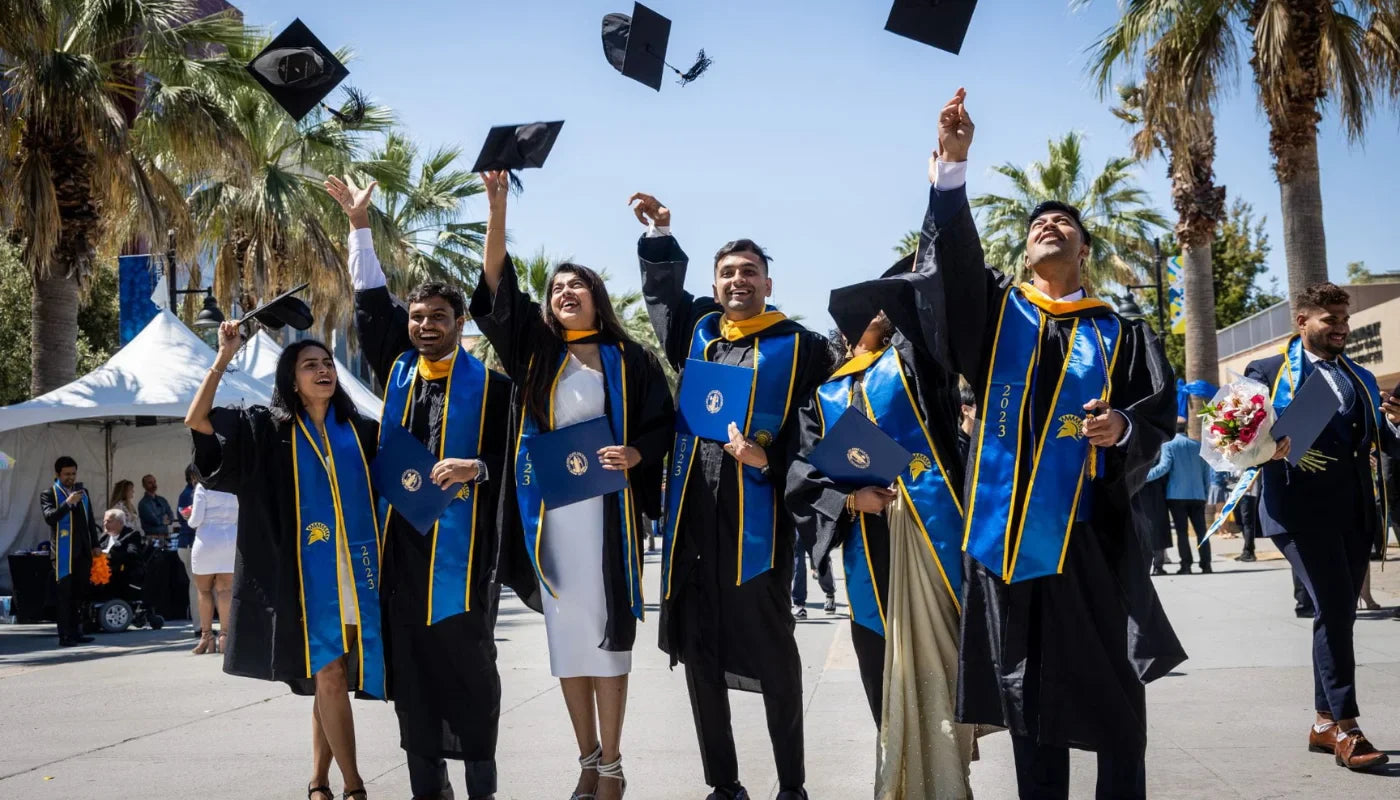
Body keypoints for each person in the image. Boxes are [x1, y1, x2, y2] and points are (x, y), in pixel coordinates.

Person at [921, 88, 1184, 799]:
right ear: (1026, 250)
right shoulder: (997, 316)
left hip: (1094, 538)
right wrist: (953, 168)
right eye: (1039, 222)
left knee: (1118, 704)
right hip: (1010, 543)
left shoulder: (1121, 332)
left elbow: (1157, 415)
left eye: (1064, 221)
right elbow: (950, 271)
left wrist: (1123, 428)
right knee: (1030, 697)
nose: (1049, 224)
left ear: (1084, 250)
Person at [630, 191, 835, 800]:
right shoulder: (699, 334)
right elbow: (665, 302)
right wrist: (661, 235)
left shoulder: (801, 346)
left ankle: (792, 784)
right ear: (715, 285)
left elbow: (819, 428)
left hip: (758, 528)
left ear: (768, 283)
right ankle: (724, 784)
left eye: (749, 271)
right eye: (727, 272)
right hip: (693, 524)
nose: (737, 280)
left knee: (775, 657)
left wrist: (769, 459)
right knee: (700, 656)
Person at [476, 171, 673, 800]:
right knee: (566, 641)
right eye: (557, 287)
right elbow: (496, 287)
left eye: (576, 285)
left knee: (607, 640)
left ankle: (612, 764)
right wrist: (498, 209)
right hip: (550, 518)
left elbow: (663, 426)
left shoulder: (630, 359)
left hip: (608, 517)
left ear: (596, 297)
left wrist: (636, 452)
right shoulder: (535, 353)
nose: (565, 292)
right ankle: (586, 758)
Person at [327, 174, 512, 800]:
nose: (425, 324)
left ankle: (482, 787)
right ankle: (428, 789)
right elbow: (370, 301)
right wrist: (359, 226)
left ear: (461, 322)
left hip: (465, 561)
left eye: (438, 316)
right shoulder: (399, 369)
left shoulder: (493, 389)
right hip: (402, 555)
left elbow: (509, 458)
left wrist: (475, 469)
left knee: (470, 671)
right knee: (412, 675)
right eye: (418, 316)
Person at [787, 259, 974, 797]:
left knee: (943, 671)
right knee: (883, 672)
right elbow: (803, 474)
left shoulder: (913, 366)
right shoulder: (822, 395)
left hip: (930, 538)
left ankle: (951, 782)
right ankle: (903, 781)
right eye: (870, 307)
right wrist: (850, 500)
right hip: (869, 544)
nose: (878, 313)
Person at [187, 321, 383, 800]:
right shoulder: (268, 429)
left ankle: (318, 782)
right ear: (291, 380)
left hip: (356, 574)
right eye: (309, 365)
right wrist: (223, 356)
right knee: (329, 673)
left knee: (330, 677)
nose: (323, 370)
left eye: (327, 363)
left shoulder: (361, 430)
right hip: (301, 579)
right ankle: (355, 786)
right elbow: (198, 420)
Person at [1243, 281, 1400, 771]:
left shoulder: (1361, 377)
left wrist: (1396, 423)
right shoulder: (1267, 371)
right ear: (1302, 321)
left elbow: (1381, 443)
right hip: (1297, 512)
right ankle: (1348, 728)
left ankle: (1323, 722)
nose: (1341, 328)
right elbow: (1240, 443)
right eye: (1330, 320)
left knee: (1338, 614)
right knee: (1332, 605)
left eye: (1345, 319)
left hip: (1354, 512)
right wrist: (1265, 446)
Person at [39, 456, 98, 646]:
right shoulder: (49, 494)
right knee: (64, 595)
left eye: (73, 473)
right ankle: (64, 635)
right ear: (58, 474)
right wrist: (68, 503)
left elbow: (90, 521)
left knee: (79, 595)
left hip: (83, 551)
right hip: (63, 552)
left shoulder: (83, 493)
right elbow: (50, 517)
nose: (71, 477)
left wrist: (95, 544)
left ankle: (77, 632)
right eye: (66, 474)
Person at [1146, 418, 1215, 574]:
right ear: (1186, 428)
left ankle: (1186, 565)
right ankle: (1206, 565)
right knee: (1202, 532)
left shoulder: (1168, 445)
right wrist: (1204, 492)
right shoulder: (1198, 446)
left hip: (1176, 495)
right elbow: (1206, 473)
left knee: (1182, 532)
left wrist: (1144, 477)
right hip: (1198, 495)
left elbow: (1164, 468)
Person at [183, 469, 237, 656]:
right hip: (230, 541)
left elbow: (195, 521)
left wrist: (189, 516)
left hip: (206, 540)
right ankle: (225, 637)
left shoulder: (202, 487)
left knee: (204, 590)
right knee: (225, 591)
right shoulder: (235, 486)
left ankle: (206, 636)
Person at [176, 465, 200, 629]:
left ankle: (202, 625)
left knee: (199, 585)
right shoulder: (189, 495)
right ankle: (199, 626)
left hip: (189, 544)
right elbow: (189, 521)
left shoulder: (190, 493)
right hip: (189, 544)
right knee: (197, 585)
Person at [790, 541, 835, 619]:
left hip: (816, 533)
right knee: (799, 562)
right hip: (798, 533)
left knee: (821, 558)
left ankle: (830, 593)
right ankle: (799, 604)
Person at [138, 474, 175, 549]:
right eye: (150, 483)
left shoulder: (162, 500)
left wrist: (167, 519)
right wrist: (164, 519)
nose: (153, 484)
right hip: (152, 539)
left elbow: (171, 516)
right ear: (144, 485)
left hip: (165, 536)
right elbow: (154, 520)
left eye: (154, 482)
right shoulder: (143, 503)